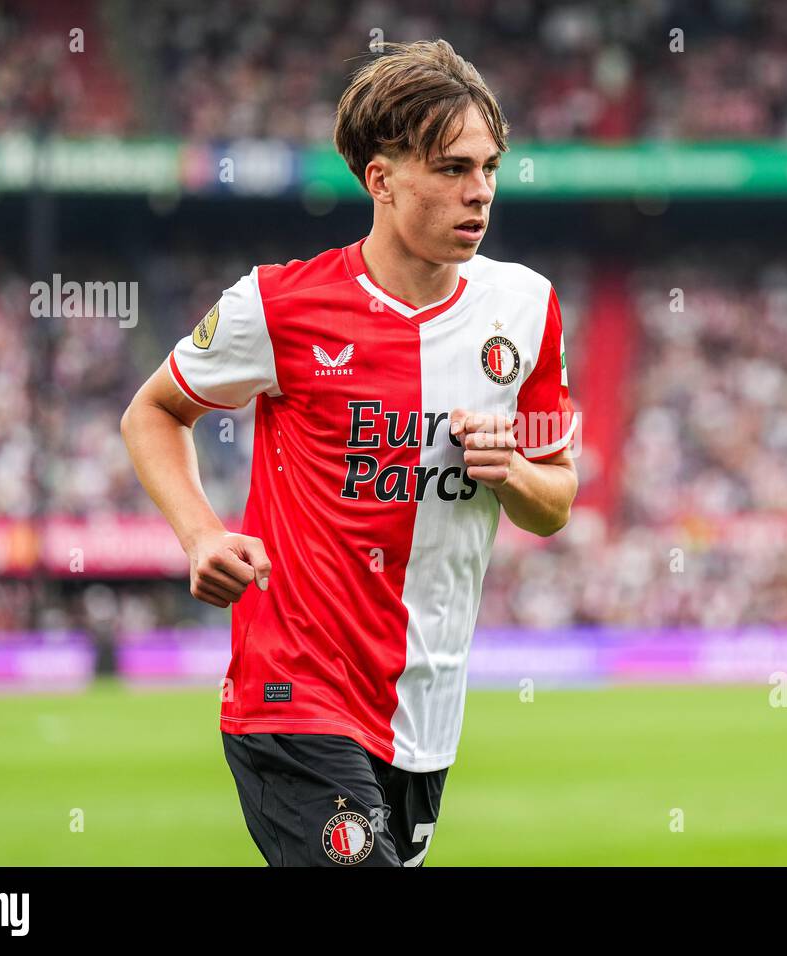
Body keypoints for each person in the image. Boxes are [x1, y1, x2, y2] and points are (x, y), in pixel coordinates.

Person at [121, 39, 578, 865]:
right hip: (294, 693)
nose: (479, 192)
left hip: (425, 711)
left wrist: (510, 469)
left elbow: (557, 501)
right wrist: (201, 535)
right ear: (380, 179)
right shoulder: (277, 306)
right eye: (450, 169)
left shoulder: (528, 308)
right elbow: (153, 412)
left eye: (490, 167)